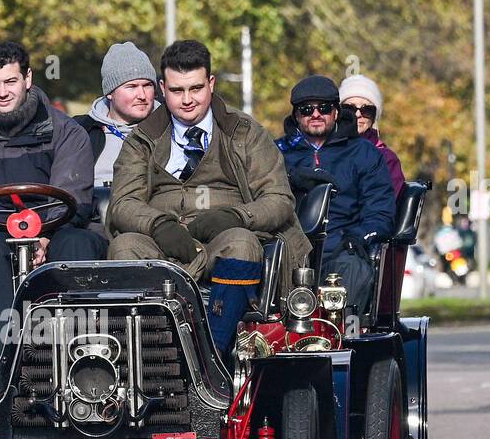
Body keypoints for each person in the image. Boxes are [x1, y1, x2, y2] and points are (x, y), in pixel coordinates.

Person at [106, 39, 307, 347]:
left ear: (211, 83)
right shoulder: (142, 139)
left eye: (196, 88)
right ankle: (149, 359)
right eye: (176, 90)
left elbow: (279, 199)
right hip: (162, 244)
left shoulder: (245, 132)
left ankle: (215, 357)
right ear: (162, 88)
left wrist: (237, 216)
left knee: (241, 244)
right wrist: (157, 224)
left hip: (225, 238)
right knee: (124, 246)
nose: (187, 99)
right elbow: (123, 203)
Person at [0, 41, 102, 347]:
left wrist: (47, 235)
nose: (2, 92)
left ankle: (82, 352)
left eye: (10, 81)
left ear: (28, 79)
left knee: (79, 244)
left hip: (56, 227)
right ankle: (11, 361)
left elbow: (72, 193)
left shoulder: (65, 131)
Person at [276, 75, 396, 316]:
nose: (316, 114)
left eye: (324, 108)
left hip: (341, 246)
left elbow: (381, 212)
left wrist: (357, 239)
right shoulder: (276, 154)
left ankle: (338, 338)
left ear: (336, 112)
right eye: (307, 109)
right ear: (296, 115)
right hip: (288, 247)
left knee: (352, 269)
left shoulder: (365, 154)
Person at [73, 41, 160, 219]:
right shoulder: (81, 131)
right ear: (110, 93)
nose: (142, 95)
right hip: (94, 222)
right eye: (132, 87)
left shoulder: (170, 127)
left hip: (152, 219)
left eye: (147, 85)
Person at [338, 74, 406, 198]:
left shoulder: (387, 159)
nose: (358, 114)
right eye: (349, 108)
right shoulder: (324, 150)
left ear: (374, 116)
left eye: (367, 110)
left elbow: (383, 205)